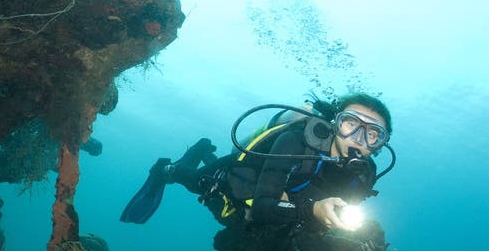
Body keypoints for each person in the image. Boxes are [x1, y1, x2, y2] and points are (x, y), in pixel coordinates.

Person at [120, 92, 394, 234]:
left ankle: (203, 151)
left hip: (285, 203)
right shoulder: (295, 142)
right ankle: (166, 169)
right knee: (201, 186)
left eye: (373, 134)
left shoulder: (365, 174)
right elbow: (262, 208)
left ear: (380, 144)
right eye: (350, 124)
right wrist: (311, 210)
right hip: (242, 180)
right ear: (335, 123)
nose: (359, 139)